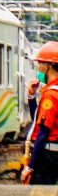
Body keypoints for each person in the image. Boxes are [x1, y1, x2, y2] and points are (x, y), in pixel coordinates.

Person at [21, 41, 58, 185]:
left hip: (49, 155)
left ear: (47, 66)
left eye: (40, 63)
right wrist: (32, 96)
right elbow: (38, 122)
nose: (38, 68)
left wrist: (30, 167)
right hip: (53, 153)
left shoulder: (51, 95)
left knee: (40, 191)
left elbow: (43, 133)